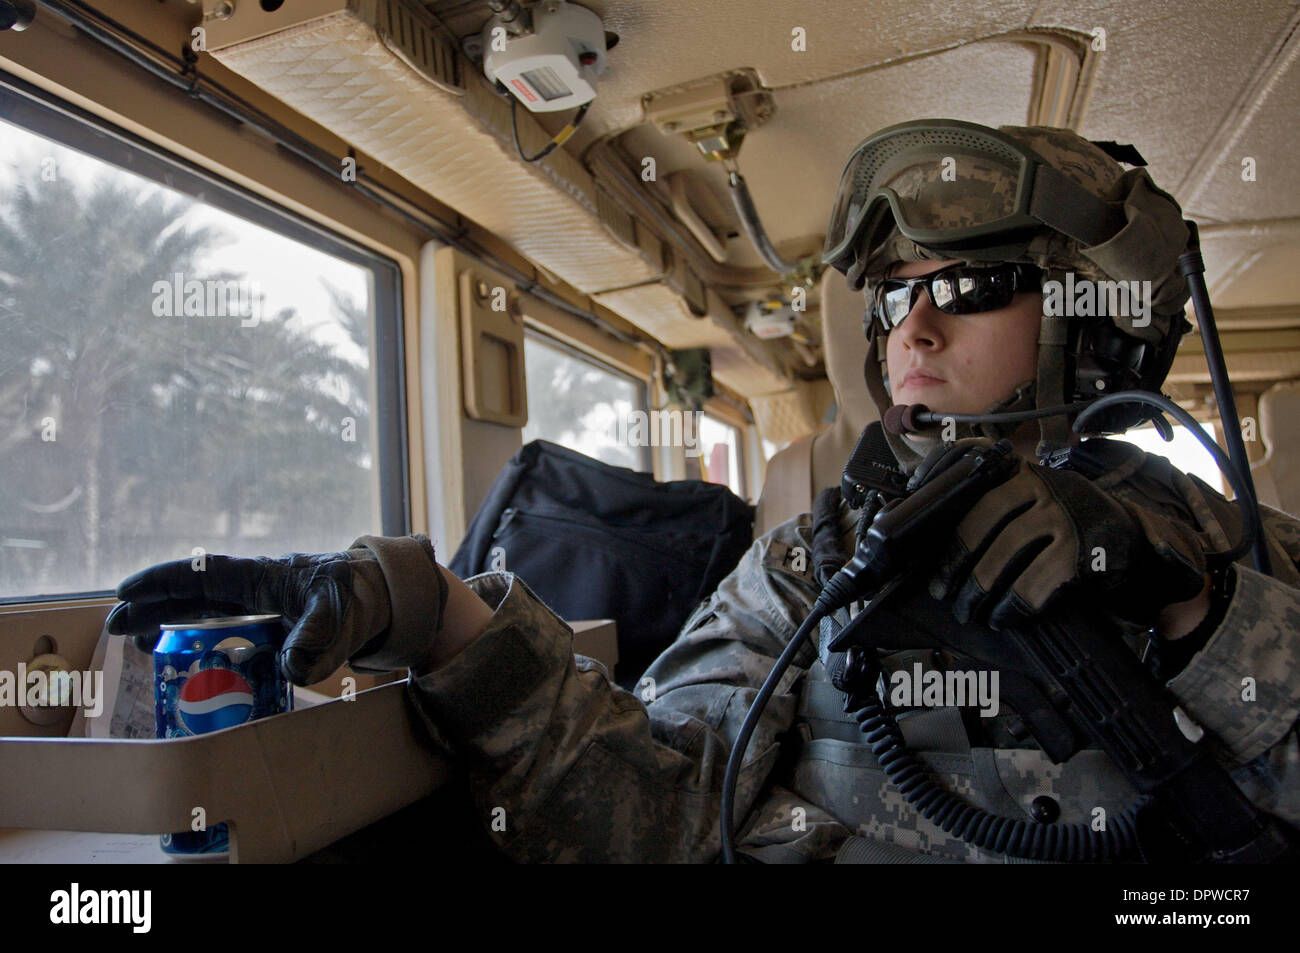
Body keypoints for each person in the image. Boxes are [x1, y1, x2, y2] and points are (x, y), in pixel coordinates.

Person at [107, 120, 1300, 863]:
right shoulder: (807, 563)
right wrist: (429, 612)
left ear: (1092, 319)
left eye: (974, 283)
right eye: (893, 297)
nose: (912, 328)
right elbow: (666, 813)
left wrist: (1193, 603)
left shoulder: (1241, 551)